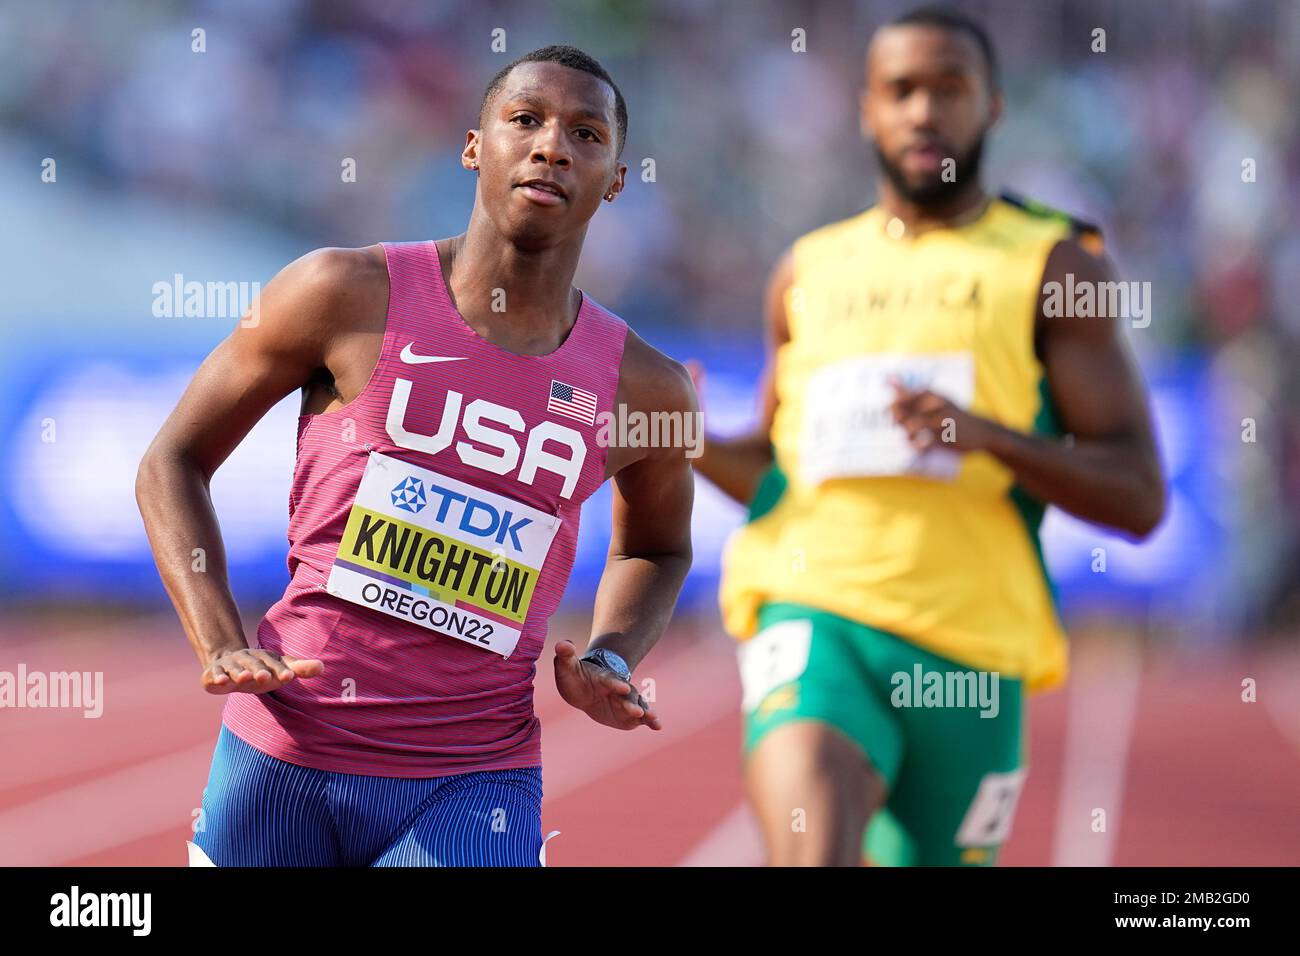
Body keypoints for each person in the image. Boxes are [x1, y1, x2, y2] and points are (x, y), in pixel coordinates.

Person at [136, 44, 696, 867]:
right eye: (526, 120)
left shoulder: (649, 388)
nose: (551, 147)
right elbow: (173, 460)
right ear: (475, 145)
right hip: (287, 750)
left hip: (474, 776)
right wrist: (219, 640)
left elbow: (657, 544)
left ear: (615, 179)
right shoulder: (340, 293)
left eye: (586, 133)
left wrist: (610, 654)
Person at [690, 7, 1164, 866]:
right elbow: (772, 471)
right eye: (901, 90)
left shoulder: (1058, 268)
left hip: (970, 654)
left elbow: (1138, 497)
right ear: (866, 108)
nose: (923, 112)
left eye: (950, 88)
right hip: (815, 612)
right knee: (813, 844)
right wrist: (684, 438)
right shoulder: (805, 270)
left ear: (993, 107)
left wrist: (990, 438)